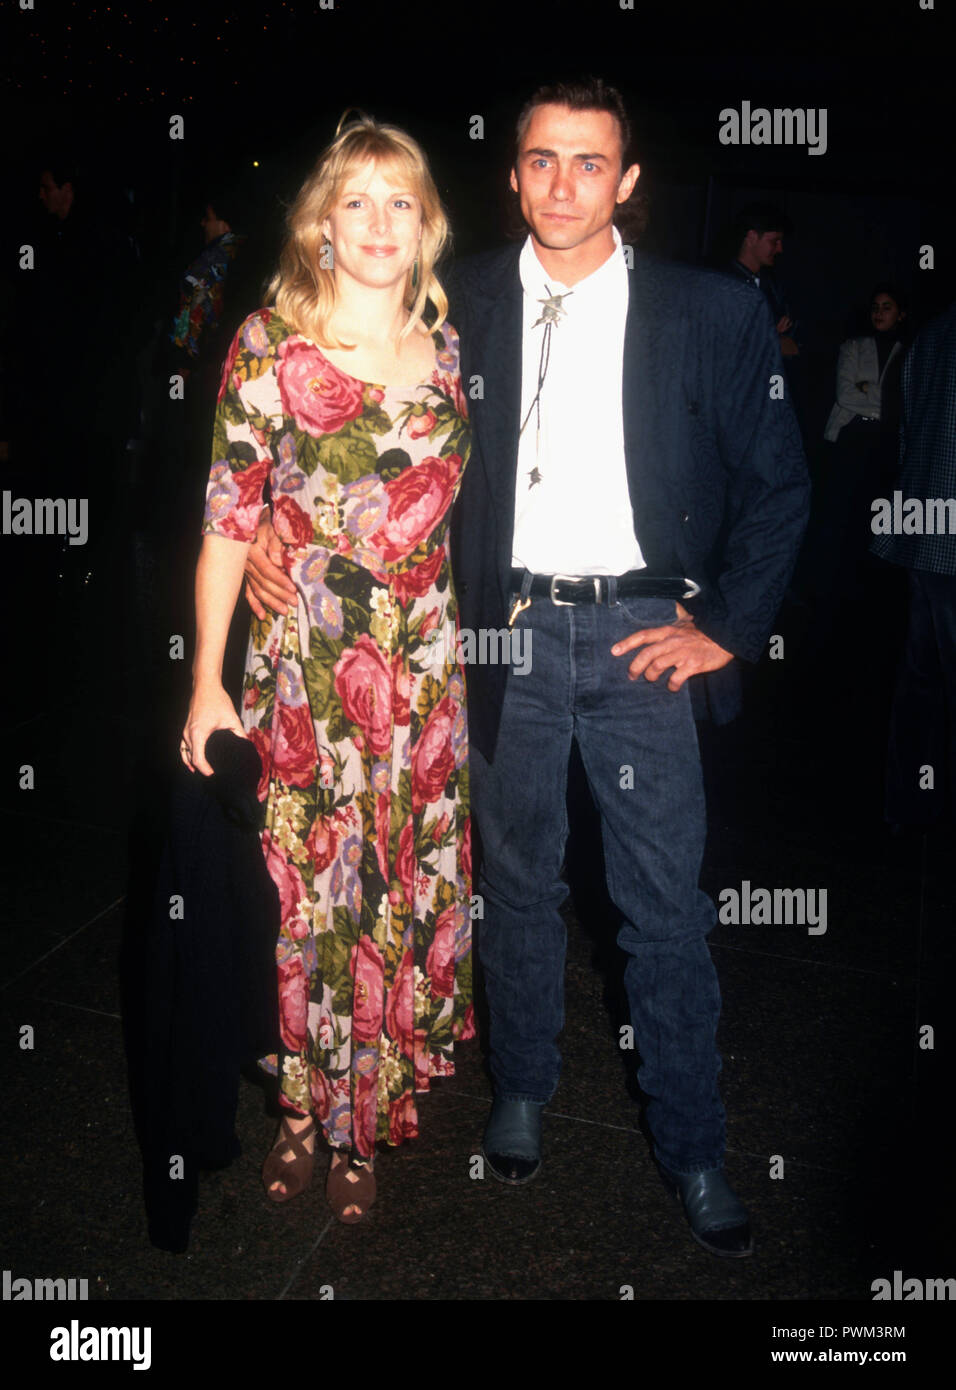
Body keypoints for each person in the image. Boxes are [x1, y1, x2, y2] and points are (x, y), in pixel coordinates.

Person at [246, 79, 809, 1258]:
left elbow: (777, 487)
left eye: (588, 163)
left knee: (659, 911)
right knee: (516, 883)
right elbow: (356, 422)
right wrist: (269, 534)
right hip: (498, 639)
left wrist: (728, 627)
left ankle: (695, 1146)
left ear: (629, 181)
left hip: (642, 643)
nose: (562, 185)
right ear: (510, 174)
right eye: (540, 161)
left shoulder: (711, 310)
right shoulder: (466, 307)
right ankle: (521, 1089)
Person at [181, 114, 474, 1223]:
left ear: (427, 222)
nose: (379, 222)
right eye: (355, 200)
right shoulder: (269, 341)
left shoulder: (446, 347)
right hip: (307, 675)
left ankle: (366, 1118)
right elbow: (223, 518)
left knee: (389, 890)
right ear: (319, 224)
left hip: (422, 683)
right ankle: (303, 1112)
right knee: (304, 896)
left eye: (400, 200)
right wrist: (204, 679)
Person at [871, 301, 956, 828]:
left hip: (923, 525)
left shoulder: (934, 330)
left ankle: (906, 804)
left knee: (921, 675)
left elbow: (906, 428)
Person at [812, 284, 910, 605]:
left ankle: (861, 593)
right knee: (837, 514)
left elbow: (906, 403)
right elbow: (846, 395)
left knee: (873, 517)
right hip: (851, 439)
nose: (879, 313)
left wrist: (870, 392)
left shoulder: (908, 351)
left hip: (885, 445)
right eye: (875, 308)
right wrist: (884, 406)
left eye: (887, 307)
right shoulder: (854, 346)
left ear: (900, 314)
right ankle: (823, 590)